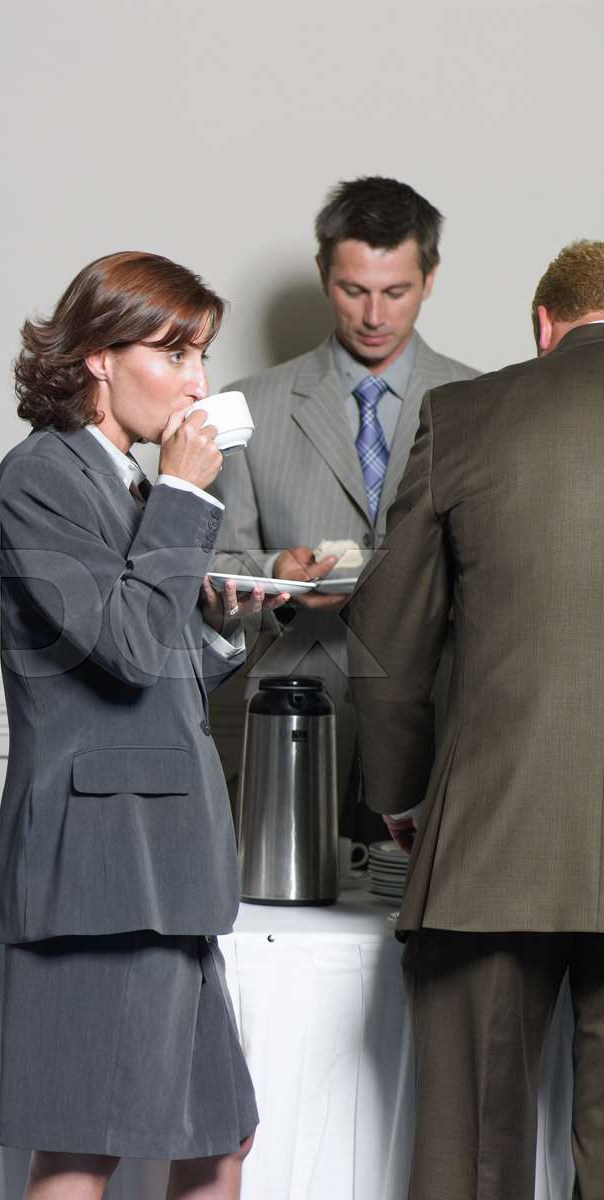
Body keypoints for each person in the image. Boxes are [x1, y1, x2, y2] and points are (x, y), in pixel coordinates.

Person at [0, 252, 284, 1199]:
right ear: (98, 359)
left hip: (165, 866)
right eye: (176, 352)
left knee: (216, 1139)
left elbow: (157, 655)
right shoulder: (39, 476)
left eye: (203, 354)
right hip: (100, 872)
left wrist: (221, 625)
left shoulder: (126, 485)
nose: (199, 381)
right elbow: (119, 647)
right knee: (82, 1146)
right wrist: (187, 497)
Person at [345, 239, 604, 1200]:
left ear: (543, 325)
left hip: (495, 845)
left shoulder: (463, 415)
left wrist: (402, 798)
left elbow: (387, 630)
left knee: (473, 1165)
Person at [209, 177, 477, 841]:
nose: (375, 315)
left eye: (396, 291)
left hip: (437, 721)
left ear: (431, 278)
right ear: (324, 273)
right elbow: (213, 575)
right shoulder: (252, 405)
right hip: (293, 719)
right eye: (354, 290)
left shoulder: (482, 404)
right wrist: (280, 573)